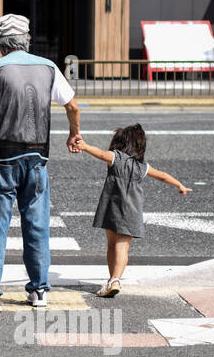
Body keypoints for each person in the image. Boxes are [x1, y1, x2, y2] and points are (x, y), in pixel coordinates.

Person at [0, 14, 81, 314]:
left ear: (0, 43)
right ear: (27, 39)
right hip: (38, 159)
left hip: (3, 158)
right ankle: (38, 290)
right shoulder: (48, 68)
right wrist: (74, 134)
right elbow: (72, 105)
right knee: (36, 225)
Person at [75, 124, 190, 298]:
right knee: (123, 246)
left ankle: (111, 280)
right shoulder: (141, 167)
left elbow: (100, 153)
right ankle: (115, 279)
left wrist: (84, 146)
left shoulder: (116, 157)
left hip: (112, 208)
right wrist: (179, 185)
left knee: (112, 245)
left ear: (120, 142)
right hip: (132, 211)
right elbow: (162, 175)